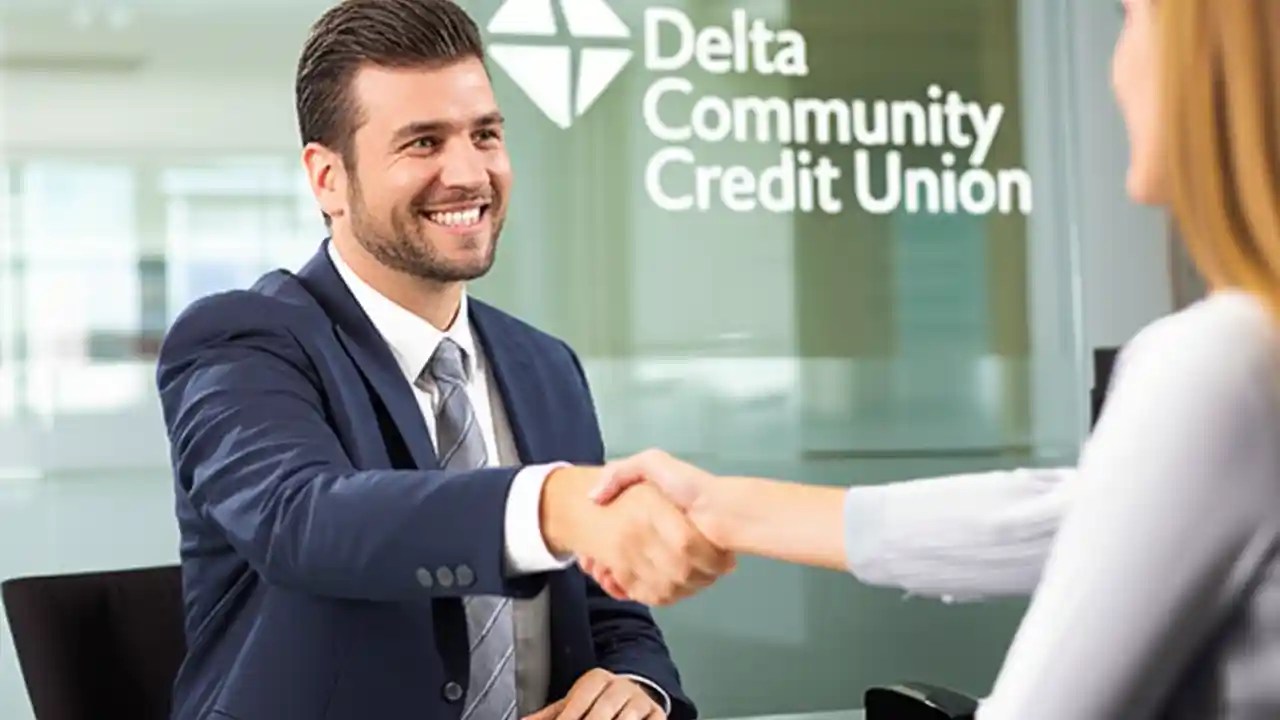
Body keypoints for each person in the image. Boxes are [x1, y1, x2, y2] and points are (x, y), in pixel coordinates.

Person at [584, 0, 1280, 717]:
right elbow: (1087, 517)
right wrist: (730, 510)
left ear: (1221, 59)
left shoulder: (1225, 363)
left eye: (1133, 19)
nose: (1117, 70)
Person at [154, 2, 735, 719]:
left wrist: (634, 689)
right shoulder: (241, 341)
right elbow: (302, 519)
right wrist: (549, 505)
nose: (468, 173)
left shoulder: (544, 365)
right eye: (423, 143)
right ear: (328, 178)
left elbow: (607, 611)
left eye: (484, 134)